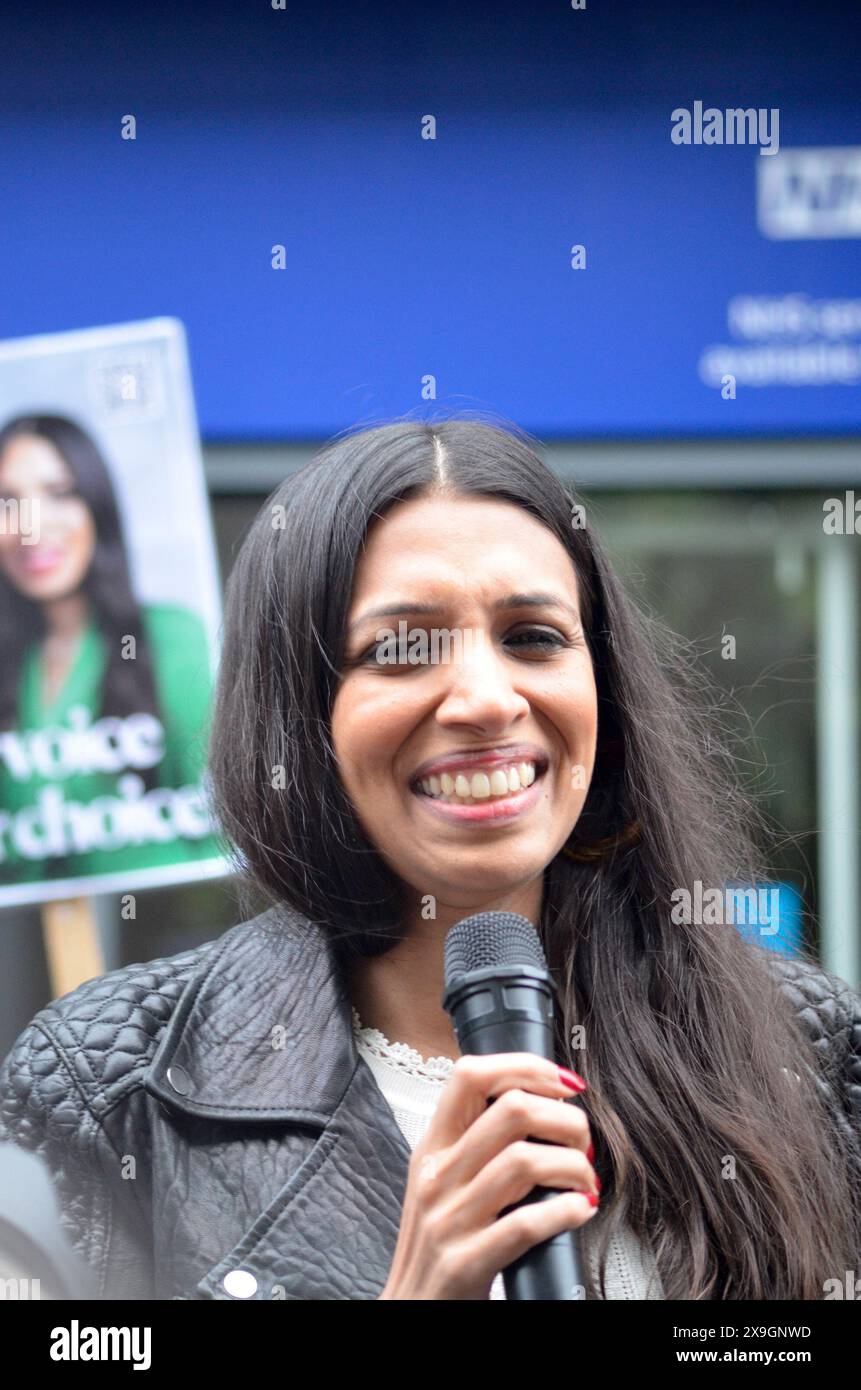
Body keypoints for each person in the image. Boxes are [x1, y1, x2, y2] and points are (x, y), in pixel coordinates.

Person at [0, 417, 859, 1301]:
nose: (487, 700)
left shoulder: (807, 1050)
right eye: (402, 650)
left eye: (533, 636)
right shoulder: (103, 1090)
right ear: (298, 711)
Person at [0, 413, 221, 885]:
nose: (32, 527)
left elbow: (225, 827)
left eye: (60, 493)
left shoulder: (172, 638)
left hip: (172, 942)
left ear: (97, 507)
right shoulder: (14, 661)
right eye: (8, 503)